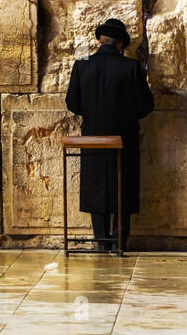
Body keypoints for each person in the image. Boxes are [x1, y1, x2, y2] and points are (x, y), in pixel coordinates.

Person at [65, 18, 154, 251]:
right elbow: (146, 106)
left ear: (99, 41)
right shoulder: (131, 67)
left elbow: (72, 103)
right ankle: (119, 243)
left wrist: (94, 114)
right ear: (120, 44)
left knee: (96, 189)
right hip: (124, 138)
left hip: (93, 138)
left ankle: (101, 242)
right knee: (122, 188)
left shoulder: (81, 65)